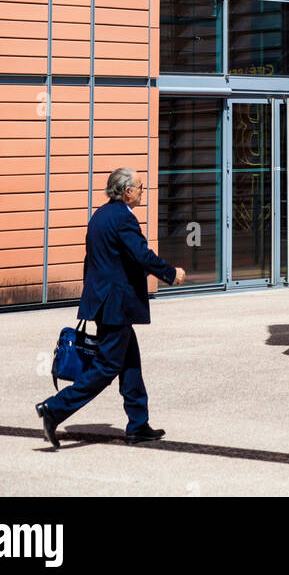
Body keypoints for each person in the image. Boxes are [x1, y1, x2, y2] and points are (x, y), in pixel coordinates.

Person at [36, 168, 185, 446]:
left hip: (105, 303)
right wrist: (170, 273)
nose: (143, 192)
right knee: (106, 367)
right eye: (141, 187)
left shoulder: (100, 215)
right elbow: (141, 255)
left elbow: (94, 261)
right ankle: (53, 409)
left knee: (130, 364)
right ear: (127, 191)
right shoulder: (123, 219)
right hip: (116, 304)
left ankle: (138, 424)